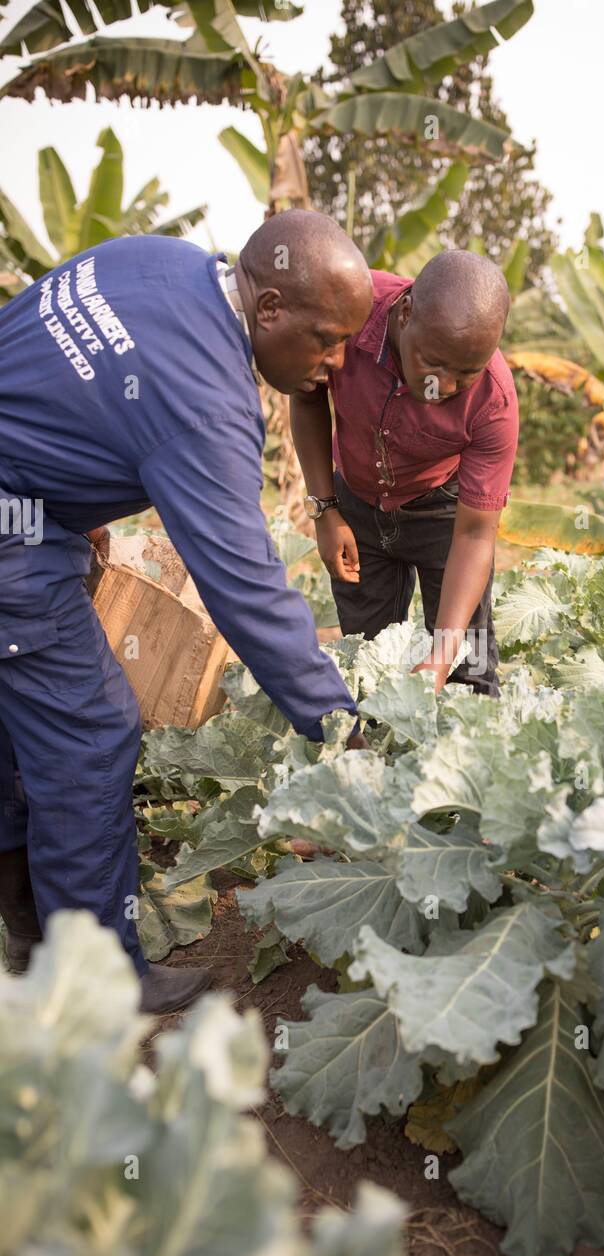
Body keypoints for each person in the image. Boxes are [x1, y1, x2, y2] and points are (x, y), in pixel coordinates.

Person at [0, 210, 373, 1009]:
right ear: (268, 309)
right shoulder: (207, 398)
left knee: (17, 721)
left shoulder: (161, 262)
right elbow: (245, 589)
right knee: (90, 730)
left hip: (27, 506)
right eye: (325, 339)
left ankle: (28, 933)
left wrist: (65, 489)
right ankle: (94, 980)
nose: (335, 364)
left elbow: (46, 365)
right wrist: (346, 731)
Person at [291, 250, 518, 695]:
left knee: (465, 671)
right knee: (371, 668)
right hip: (355, 500)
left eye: (466, 373)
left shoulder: (495, 401)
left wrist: (440, 655)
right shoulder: (350, 307)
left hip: (443, 511)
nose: (444, 387)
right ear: (406, 311)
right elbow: (306, 395)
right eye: (434, 362)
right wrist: (324, 509)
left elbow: (475, 536)